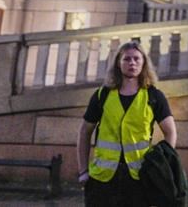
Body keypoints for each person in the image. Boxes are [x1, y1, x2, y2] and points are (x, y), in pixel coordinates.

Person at [76, 41, 177, 207]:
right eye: (127, 59)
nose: (132, 63)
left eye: (137, 59)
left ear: (144, 63)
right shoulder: (103, 95)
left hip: (139, 178)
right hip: (102, 179)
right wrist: (83, 171)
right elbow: (84, 132)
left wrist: (161, 166)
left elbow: (170, 132)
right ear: (118, 63)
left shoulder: (154, 96)